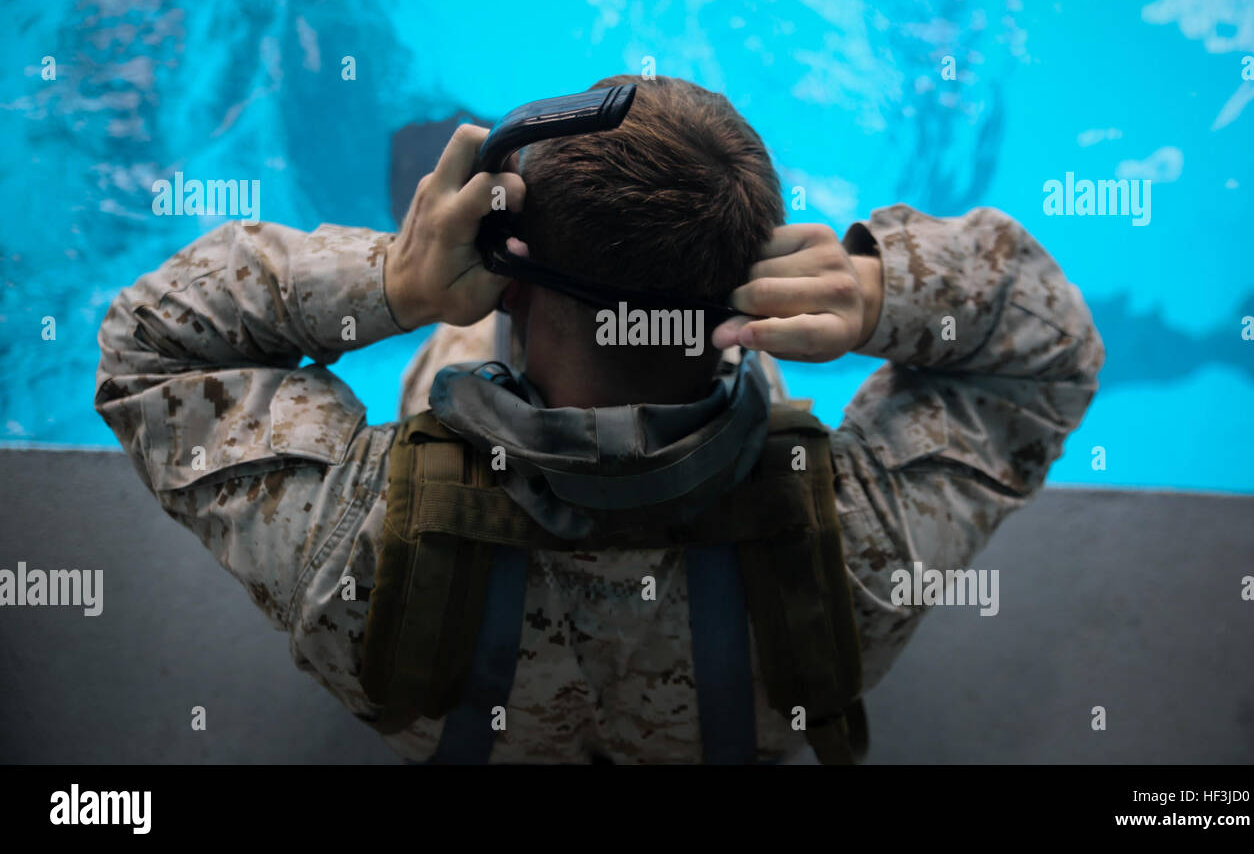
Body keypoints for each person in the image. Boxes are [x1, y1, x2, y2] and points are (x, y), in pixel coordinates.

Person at [94, 75, 1104, 763]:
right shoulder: (861, 547)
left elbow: (147, 344)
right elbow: (1048, 356)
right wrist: (885, 291)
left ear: (511, 288)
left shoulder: (350, 550)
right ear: (751, 292)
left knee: (446, 338)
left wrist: (392, 282)